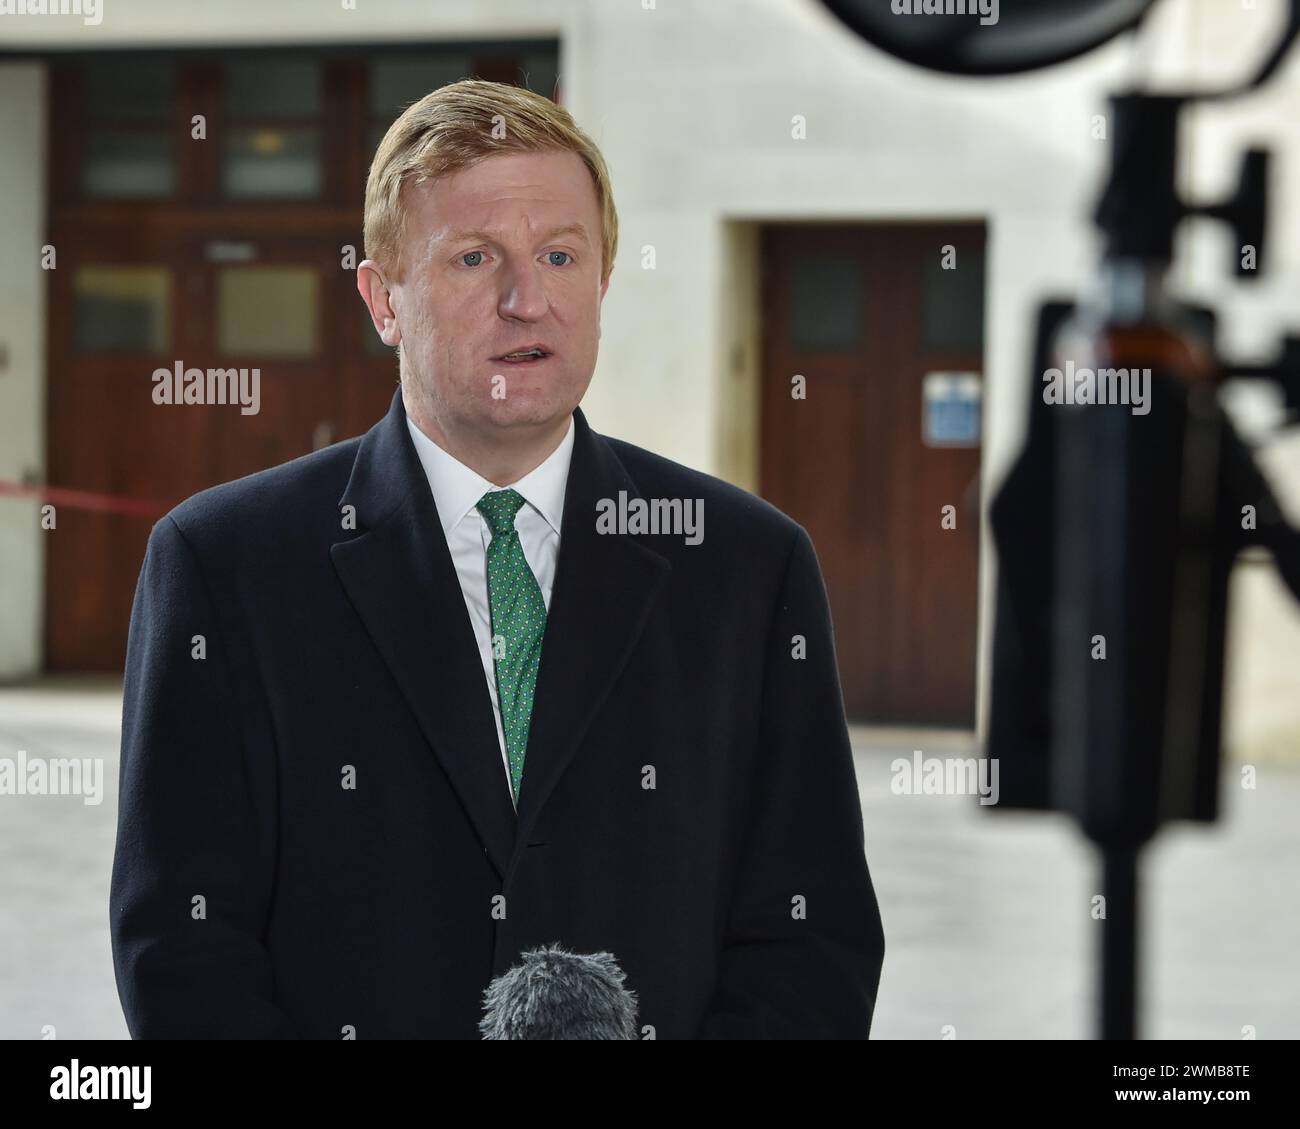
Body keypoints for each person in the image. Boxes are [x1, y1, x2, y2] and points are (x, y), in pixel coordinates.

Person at [109, 78, 885, 1039]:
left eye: (560, 255)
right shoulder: (223, 566)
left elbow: (813, 939)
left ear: (602, 280)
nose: (528, 301)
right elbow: (183, 948)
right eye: (476, 258)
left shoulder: (749, 567)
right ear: (381, 298)